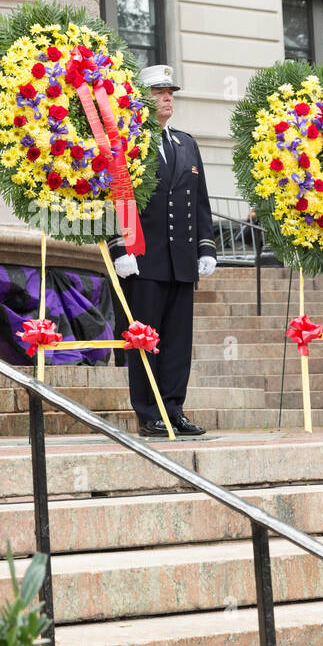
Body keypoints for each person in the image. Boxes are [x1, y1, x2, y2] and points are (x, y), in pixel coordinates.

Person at [110, 64, 215, 438]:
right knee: (145, 339)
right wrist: (119, 247)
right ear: (141, 100)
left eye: (170, 92)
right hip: (144, 260)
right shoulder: (127, 140)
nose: (167, 97)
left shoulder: (186, 143)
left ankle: (174, 408)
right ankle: (148, 411)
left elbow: (200, 201)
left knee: (176, 341)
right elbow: (117, 197)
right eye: (158, 92)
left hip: (181, 260)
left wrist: (206, 247)